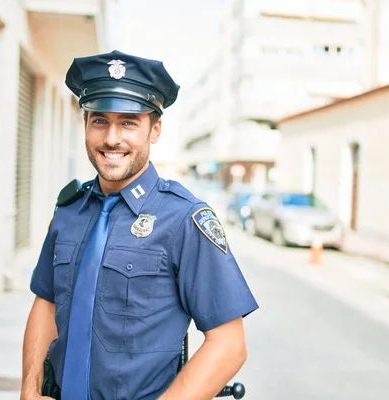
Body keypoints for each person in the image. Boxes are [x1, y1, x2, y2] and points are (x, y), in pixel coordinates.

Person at [20, 50, 259, 400]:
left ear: (155, 129)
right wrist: (29, 388)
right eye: (100, 120)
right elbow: (46, 303)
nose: (112, 139)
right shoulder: (69, 211)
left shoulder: (184, 219)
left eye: (129, 122)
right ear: (85, 123)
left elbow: (229, 344)